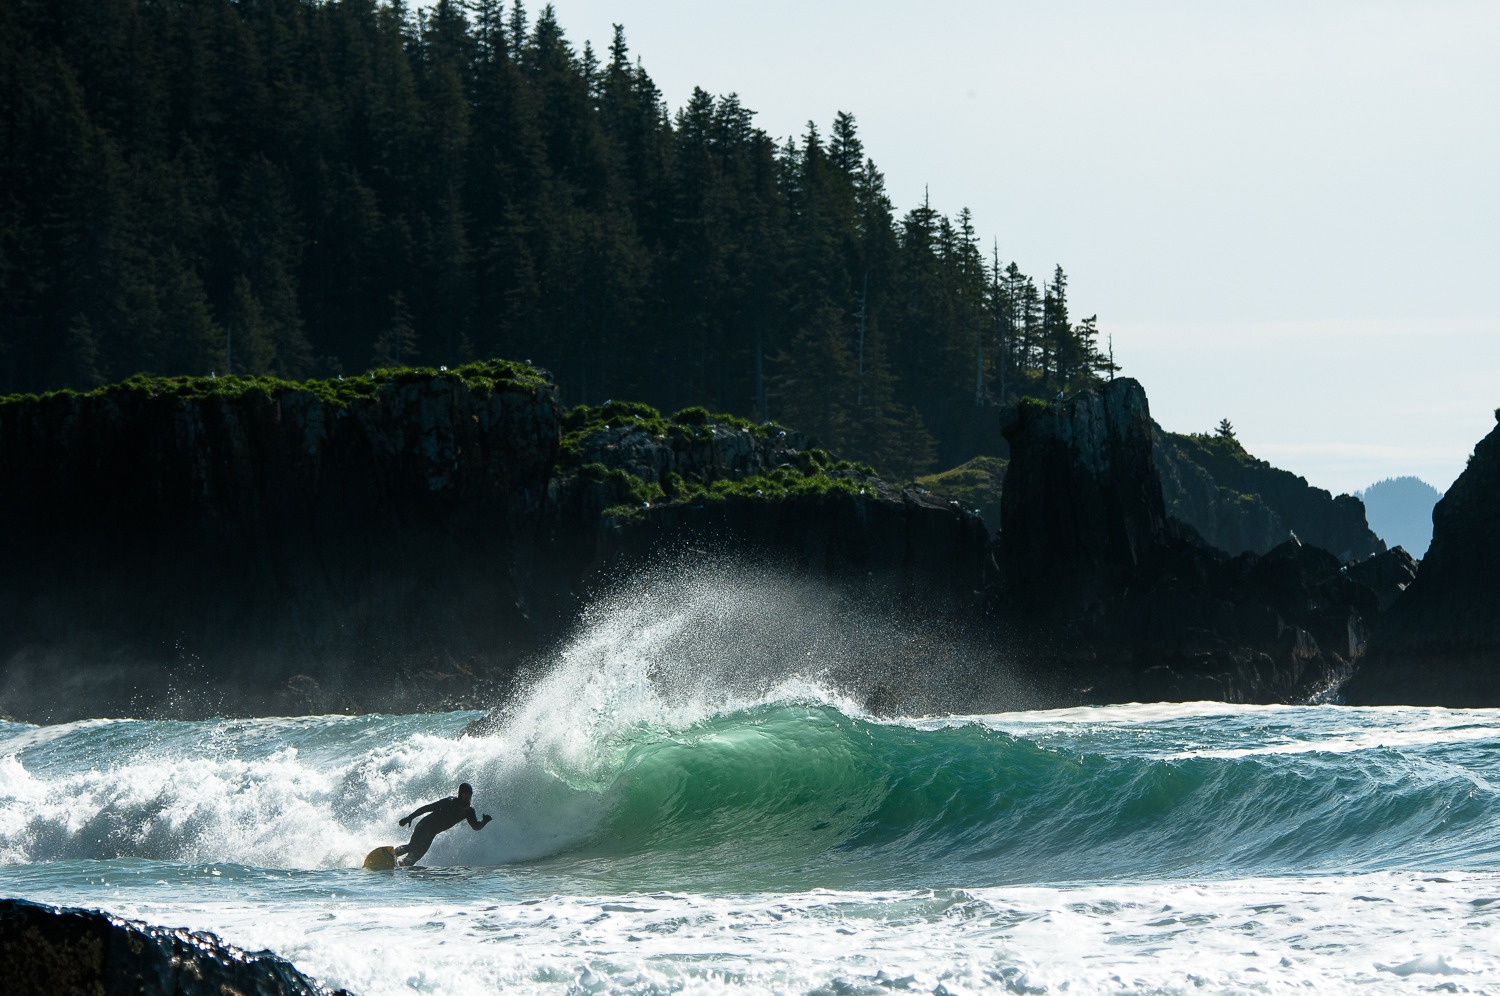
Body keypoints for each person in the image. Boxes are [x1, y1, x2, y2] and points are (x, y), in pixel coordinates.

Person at [393, 782, 492, 866]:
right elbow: (427, 808)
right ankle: (391, 854)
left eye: (470, 795)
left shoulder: (469, 811)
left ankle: (399, 864)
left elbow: (475, 827)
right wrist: (410, 817)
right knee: (413, 846)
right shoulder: (450, 802)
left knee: (415, 857)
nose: (468, 797)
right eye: (465, 794)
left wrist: (484, 822)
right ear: (460, 794)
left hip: (432, 833)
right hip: (424, 826)